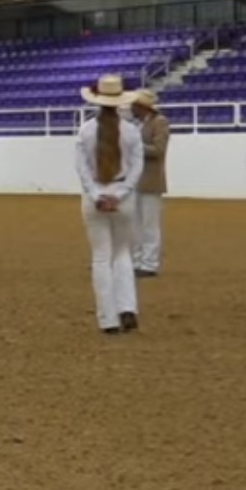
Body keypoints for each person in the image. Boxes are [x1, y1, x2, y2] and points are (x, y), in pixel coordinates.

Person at [76, 75, 146, 335]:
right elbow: (137, 166)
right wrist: (122, 192)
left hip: (95, 195)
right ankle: (127, 307)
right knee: (122, 254)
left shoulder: (85, 130)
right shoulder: (131, 130)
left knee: (101, 258)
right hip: (123, 196)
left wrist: (96, 194)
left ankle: (108, 319)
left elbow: (81, 168)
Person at [131, 89, 171, 277]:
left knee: (149, 224)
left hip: (151, 179)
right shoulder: (140, 124)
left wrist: (134, 146)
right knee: (136, 224)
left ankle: (149, 263)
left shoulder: (159, 123)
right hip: (137, 180)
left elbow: (158, 150)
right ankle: (137, 260)